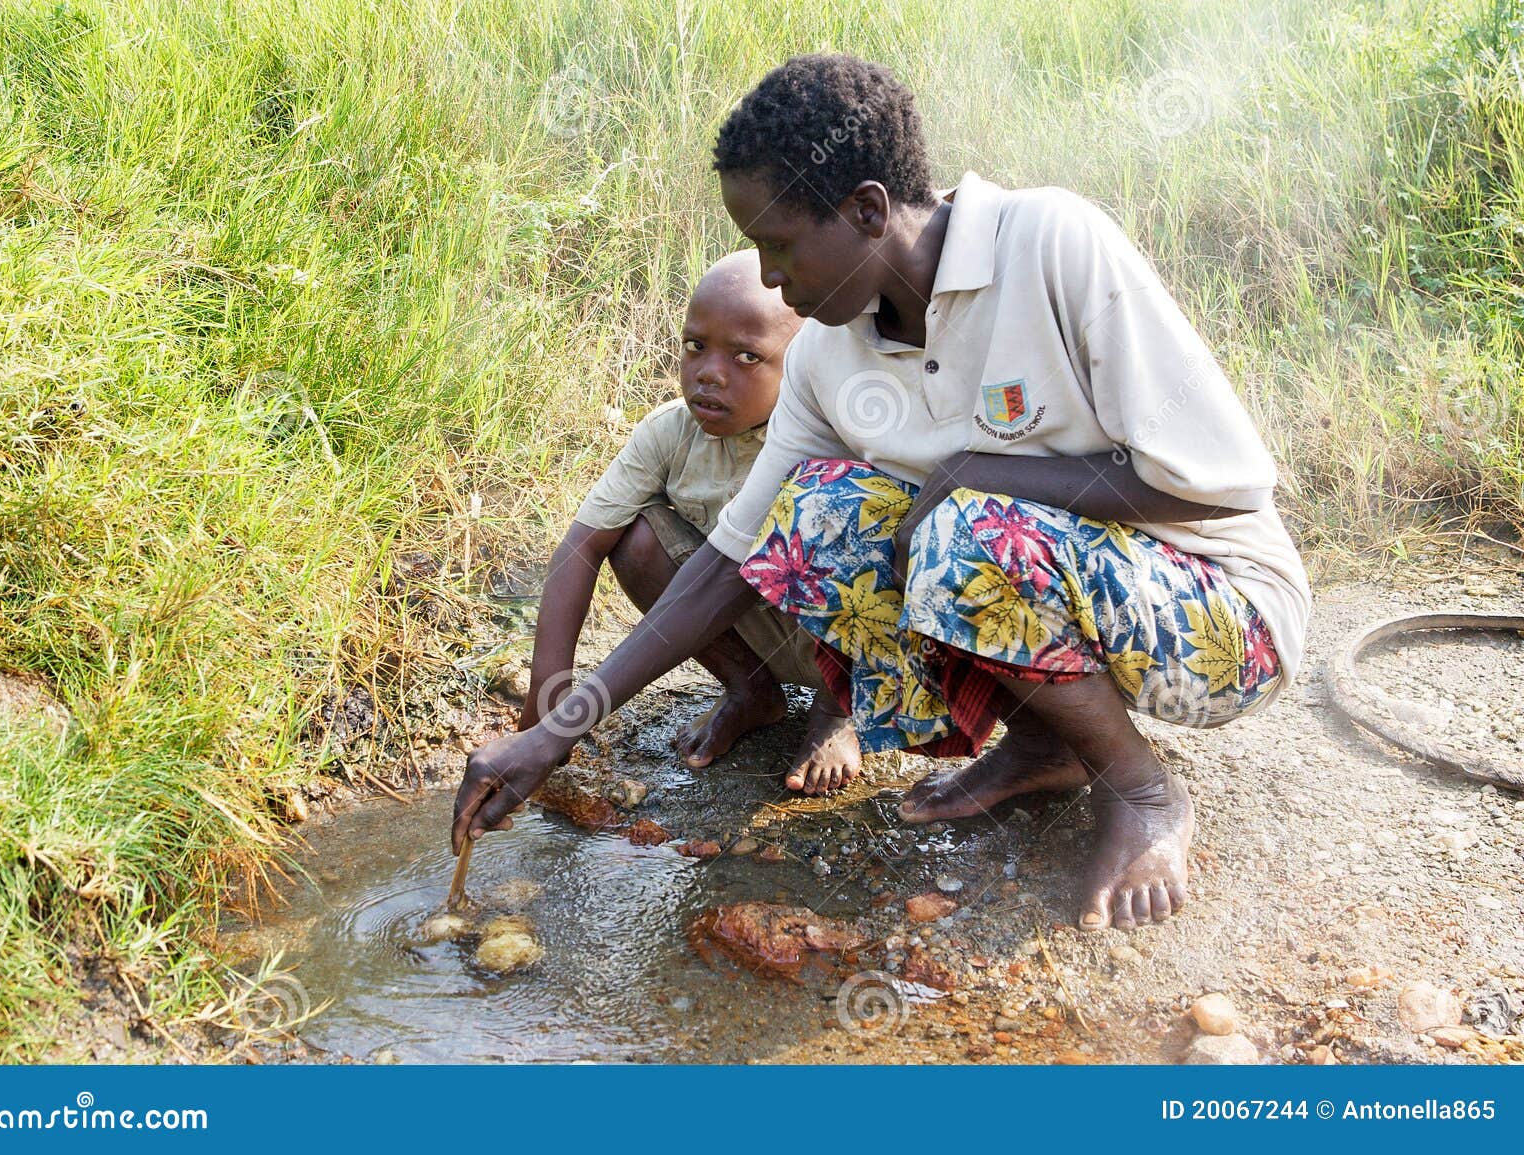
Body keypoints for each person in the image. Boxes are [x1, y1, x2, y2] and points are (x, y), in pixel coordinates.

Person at [453, 54, 1312, 933]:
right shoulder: (831, 353)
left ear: (867, 209)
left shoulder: (1052, 244)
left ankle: (1144, 790)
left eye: (779, 244)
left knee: (961, 526)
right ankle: (1053, 741)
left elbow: (1219, 487)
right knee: (822, 510)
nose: (771, 276)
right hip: (1059, 587)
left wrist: (981, 474)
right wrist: (552, 732)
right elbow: (730, 558)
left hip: (1220, 620)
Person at [520, 250, 861, 796]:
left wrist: (834, 708)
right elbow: (582, 546)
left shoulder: (834, 438)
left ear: (802, 365)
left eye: (747, 357)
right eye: (695, 347)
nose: (708, 374)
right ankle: (750, 692)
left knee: (854, 522)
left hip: (836, 638)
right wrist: (547, 693)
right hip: (744, 620)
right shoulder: (671, 434)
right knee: (635, 538)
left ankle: (835, 715)